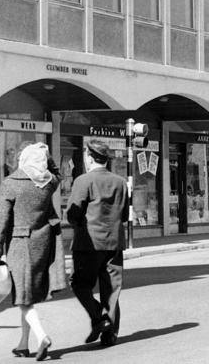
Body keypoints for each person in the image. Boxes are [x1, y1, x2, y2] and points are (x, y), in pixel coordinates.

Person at [0, 142, 65, 361]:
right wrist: (46, 157)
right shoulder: (49, 182)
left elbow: (2, 220)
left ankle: (42, 337)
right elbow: (56, 171)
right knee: (26, 295)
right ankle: (23, 344)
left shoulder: (11, 183)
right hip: (43, 243)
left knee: (22, 298)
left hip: (20, 244)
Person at [67, 140, 128, 347]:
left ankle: (100, 317)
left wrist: (77, 224)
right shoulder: (120, 182)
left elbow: (73, 214)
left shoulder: (83, 181)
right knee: (111, 289)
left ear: (89, 157)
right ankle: (110, 334)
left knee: (80, 284)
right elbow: (125, 215)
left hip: (88, 244)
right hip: (114, 243)